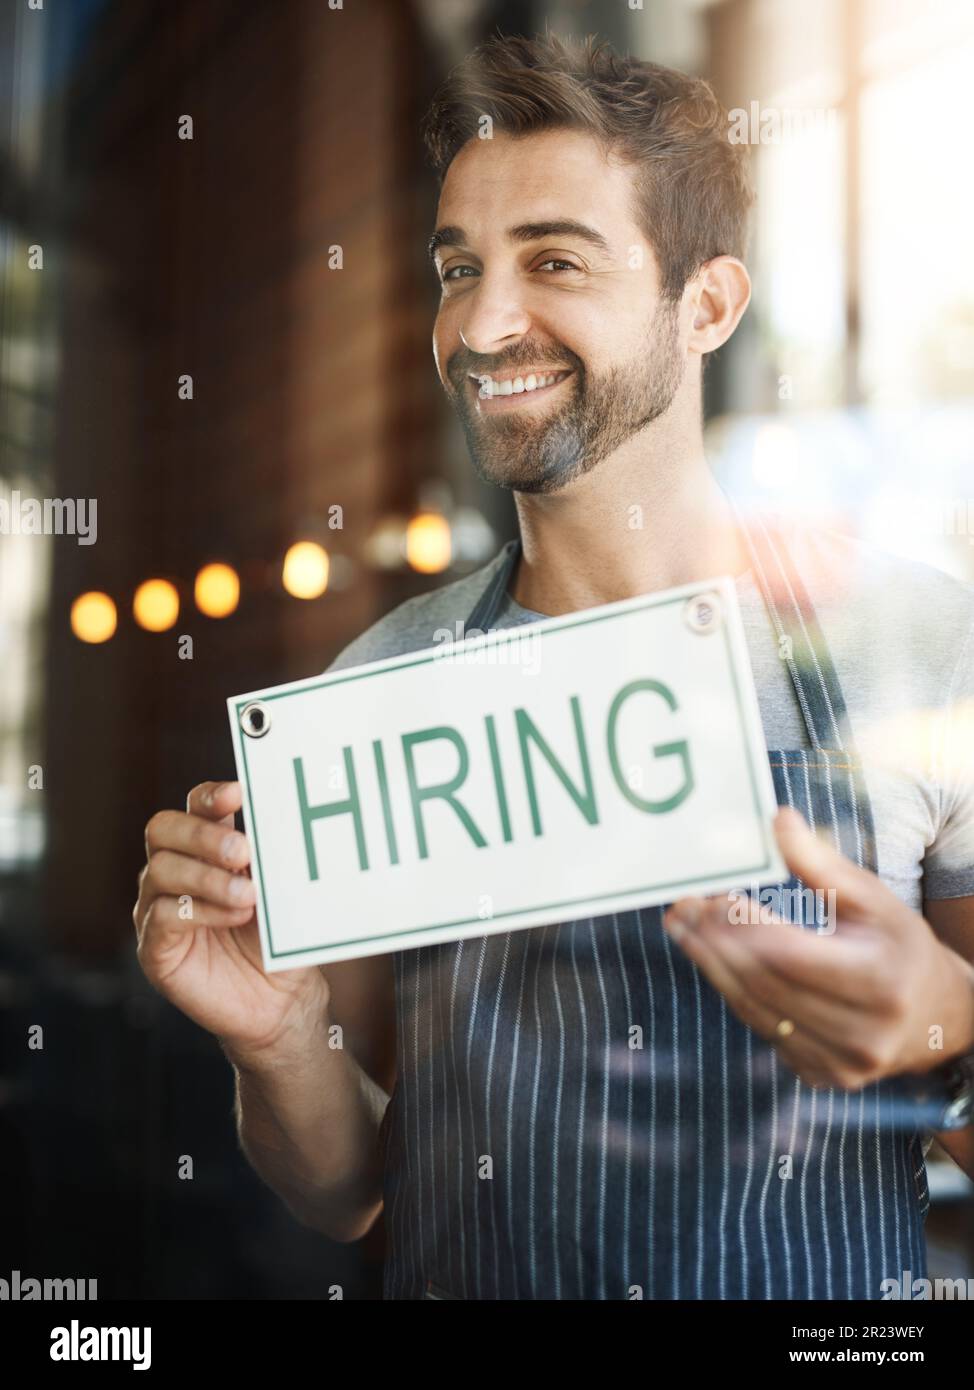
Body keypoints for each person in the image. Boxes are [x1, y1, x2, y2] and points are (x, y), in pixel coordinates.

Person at [133, 34, 974, 1300]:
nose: (481, 322)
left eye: (553, 262)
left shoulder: (919, 648)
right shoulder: (378, 688)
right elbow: (352, 1188)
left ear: (707, 304)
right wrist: (281, 1041)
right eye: (457, 267)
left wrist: (942, 1028)